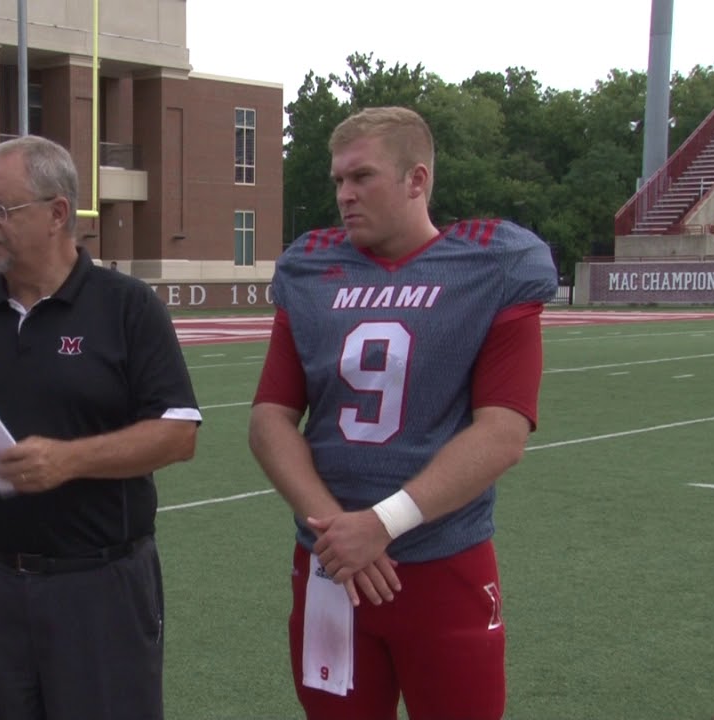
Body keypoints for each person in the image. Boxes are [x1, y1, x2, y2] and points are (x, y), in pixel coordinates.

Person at [248, 106, 557, 720]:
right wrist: (338, 530)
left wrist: (381, 524)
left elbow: (503, 433)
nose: (345, 194)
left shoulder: (491, 263)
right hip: (332, 566)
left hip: (442, 564)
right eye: (339, 179)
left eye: (362, 176)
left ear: (417, 180)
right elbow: (268, 420)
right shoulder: (310, 268)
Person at [0, 135, 201, 720]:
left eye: (0, 208)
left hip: (98, 586)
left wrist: (68, 460)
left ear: (58, 213)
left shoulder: (127, 306)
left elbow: (178, 433)